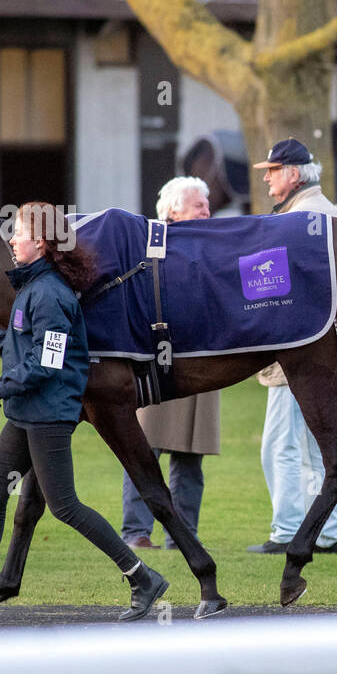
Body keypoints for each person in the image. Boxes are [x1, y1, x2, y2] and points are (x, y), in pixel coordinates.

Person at [0, 202, 169, 623]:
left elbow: (47, 362)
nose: (11, 240)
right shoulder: (33, 287)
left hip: (48, 415)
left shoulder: (50, 293)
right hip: (26, 412)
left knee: (65, 506)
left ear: (40, 242)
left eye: (18, 233)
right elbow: (26, 342)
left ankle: (142, 577)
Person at [246, 138, 337, 555]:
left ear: (292, 173)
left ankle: (289, 529)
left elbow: (276, 284)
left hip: (299, 351)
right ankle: (330, 531)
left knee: (282, 445)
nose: (267, 179)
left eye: (272, 171)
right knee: (312, 444)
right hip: (317, 349)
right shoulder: (321, 210)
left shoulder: (303, 216)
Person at [120, 176, 219, 550]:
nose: (207, 211)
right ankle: (136, 532)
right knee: (144, 448)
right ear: (174, 210)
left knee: (191, 455)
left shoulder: (215, 244)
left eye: (207, 205)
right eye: (200, 205)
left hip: (206, 360)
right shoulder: (152, 244)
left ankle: (182, 535)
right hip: (158, 359)